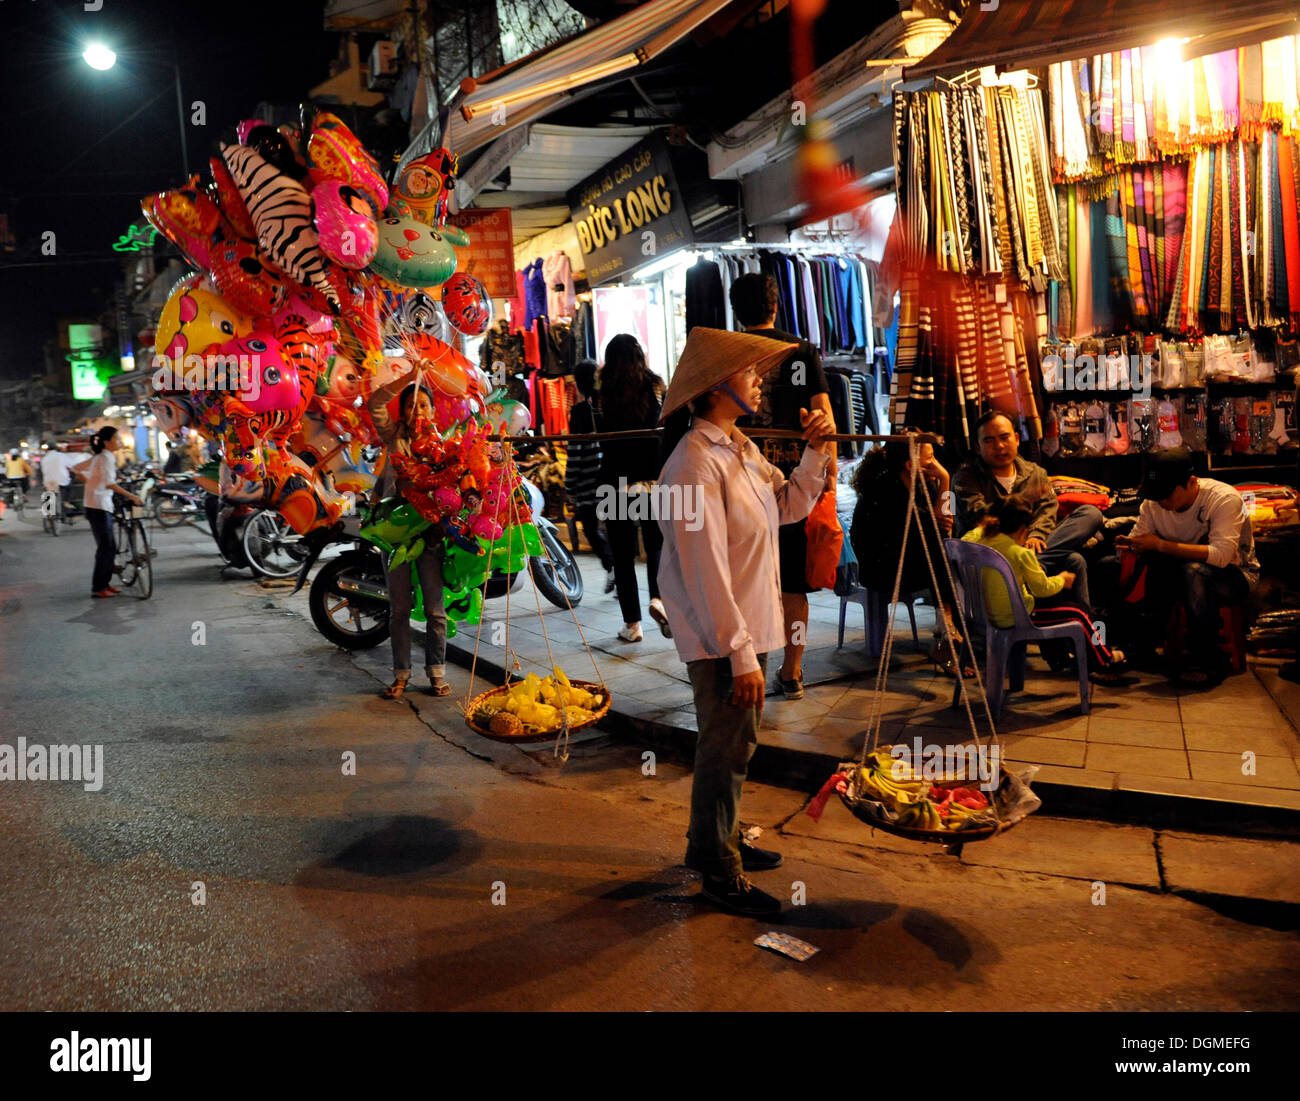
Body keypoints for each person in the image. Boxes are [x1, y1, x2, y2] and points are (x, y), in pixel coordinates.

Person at [657, 327, 835, 917]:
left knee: (736, 745)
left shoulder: (740, 448)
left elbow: (790, 507)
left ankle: (716, 840)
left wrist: (817, 450)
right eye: (749, 370)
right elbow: (704, 567)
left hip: (747, 627)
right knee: (725, 749)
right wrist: (738, 652)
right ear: (716, 386)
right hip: (719, 635)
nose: (761, 377)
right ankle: (716, 869)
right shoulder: (692, 465)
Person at [730, 272, 837, 700]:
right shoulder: (801, 350)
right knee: (793, 584)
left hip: (740, 481)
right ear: (776, 306)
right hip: (796, 479)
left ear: (737, 311)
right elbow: (823, 413)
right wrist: (826, 473)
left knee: (746, 577)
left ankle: (751, 663)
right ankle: (791, 672)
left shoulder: (729, 353)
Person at [1116, 448, 1259, 686]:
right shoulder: (1154, 503)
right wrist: (1130, 546)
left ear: (1192, 483)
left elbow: (1222, 556)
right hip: (1179, 570)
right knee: (1147, 565)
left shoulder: (1223, 499)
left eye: (1167, 494)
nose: (1162, 502)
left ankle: (1209, 663)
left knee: (1192, 572)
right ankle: (1139, 649)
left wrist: (1160, 544)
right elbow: (1140, 537)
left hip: (1235, 574)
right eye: (1156, 495)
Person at [963, 494, 1127, 683]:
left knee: (1075, 565)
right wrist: (1061, 579)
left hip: (983, 614)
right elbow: (1042, 589)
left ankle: (1064, 657)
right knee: (1078, 613)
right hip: (1018, 616)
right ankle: (1104, 658)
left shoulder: (982, 542)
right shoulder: (1021, 554)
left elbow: (967, 537)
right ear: (1024, 530)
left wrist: (983, 528)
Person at [953, 410, 1104, 608]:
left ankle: (1082, 632)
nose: (999, 446)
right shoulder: (965, 477)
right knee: (1074, 559)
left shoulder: (1035, 472)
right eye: (989, 440)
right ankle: (1025, 567)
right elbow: (978, 515)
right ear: (978, 447)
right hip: (991, 556)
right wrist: (1025, 498)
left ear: (1016, 439)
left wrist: (1037, 535)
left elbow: (1047, 510)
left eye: (1004, 437)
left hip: (1030, 548)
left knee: (1091, 514)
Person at [851, 433, 972, 677]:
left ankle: (947, 635)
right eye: (930, 460)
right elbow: (941, 527)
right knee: (943, 555)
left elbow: (949, 521)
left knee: (948, 555)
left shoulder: (920, 483)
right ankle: (948, 638)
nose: (934, 464)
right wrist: (944, 481)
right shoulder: (885, 490)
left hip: (915, 562)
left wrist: (945, 479)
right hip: (881, 569)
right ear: (910, 464)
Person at [367, 363, 450, 700]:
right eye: (411, 405)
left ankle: (437, 673)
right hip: (395, 531)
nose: (418, 410)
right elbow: (374, 403)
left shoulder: (443, 447)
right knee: (399, 609)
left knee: (434, 609)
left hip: (429, 533)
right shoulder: (393, 437)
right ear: (402, 411)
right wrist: (408, 378)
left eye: (424, 405)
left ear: (433, 410)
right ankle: (401, 674)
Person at [597, 334, 668, 643]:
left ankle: (632, 626)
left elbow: (600, 439)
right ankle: (658, 599)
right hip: (653, 480)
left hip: (615, 482)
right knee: (656, 546)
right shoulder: (656, 386)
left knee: (623, 554)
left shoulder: (602, 395)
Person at [564, 357, 616, 593]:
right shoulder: (608, 406)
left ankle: (612, 565)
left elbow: (576, 452)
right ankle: (616, 569)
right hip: (612, 477)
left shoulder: (579, 412)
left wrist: (570, 486)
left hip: (588, 481)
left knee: (591, 527)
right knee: (614, 527)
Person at [70, 427, 142, 598]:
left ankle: (105, 584)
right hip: (98, 506)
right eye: (117, 439)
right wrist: (133, 497)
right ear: (108, 441)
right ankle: (98, 587)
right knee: (106, 547)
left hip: (96, 504)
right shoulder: (105, 457)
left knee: (109, 547)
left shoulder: (100, 456)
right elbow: (109, 483)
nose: (120, 442)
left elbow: (76, 468)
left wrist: (91, 484)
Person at [40, 442, 71, 523]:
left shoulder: (44, 458)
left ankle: (48, 512)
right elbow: (70, 464)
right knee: (68, 486)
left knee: (47, 493)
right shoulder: (62, 456)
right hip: (62, 481)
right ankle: (66, 501)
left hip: (49, 482)